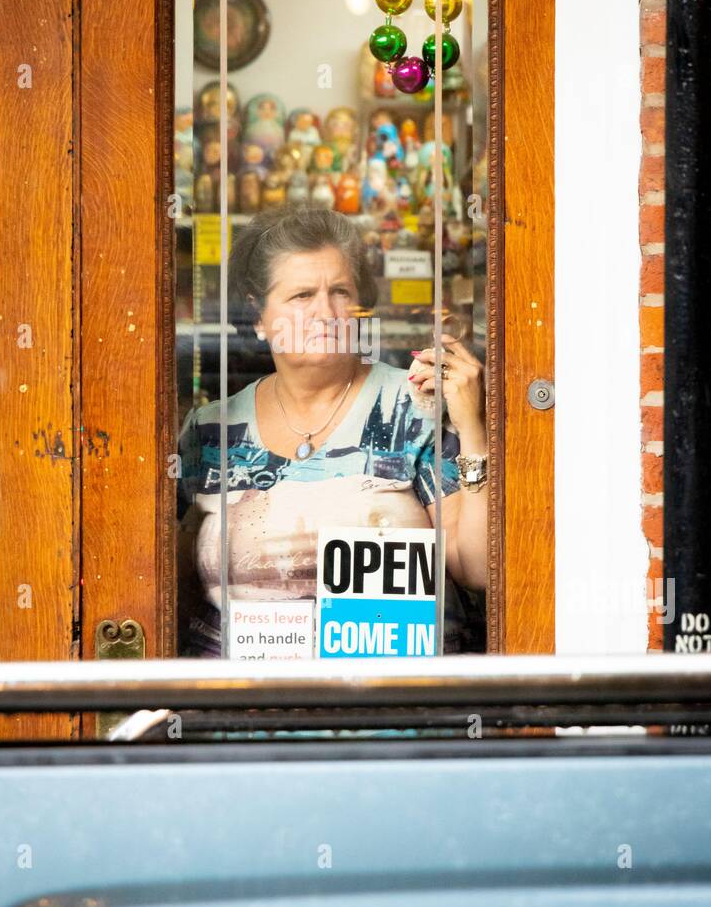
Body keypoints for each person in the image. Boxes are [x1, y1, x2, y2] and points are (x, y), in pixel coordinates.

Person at [177, 206, 487, 656]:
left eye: (340, 292)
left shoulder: (413, 407)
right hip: (241, 711)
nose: (325, 312)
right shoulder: (210, 432)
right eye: (302, 295)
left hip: (391, 711)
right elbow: (171, 590)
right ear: (258, 316)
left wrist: (472, 429)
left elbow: (474, 567)